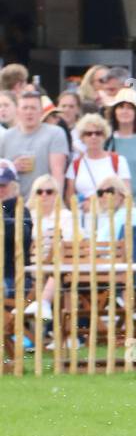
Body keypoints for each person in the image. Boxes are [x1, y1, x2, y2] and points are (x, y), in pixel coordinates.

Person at [0, 88, 67, 200]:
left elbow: (58, 173)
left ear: (41, 112)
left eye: (33, 108)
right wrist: (12, 167)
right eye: (25, 108)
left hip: (43, 201)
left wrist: (57, 203)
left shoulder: (55, 133)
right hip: (12, 205)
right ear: (18, 111)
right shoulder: (6, 137)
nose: (29, 112)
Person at [22, 174, 71, 318]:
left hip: (59, 265)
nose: (44, 195)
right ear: (34, 194)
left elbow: (72, 242)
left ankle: (43, 303)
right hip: (33, 266)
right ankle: (43, 304)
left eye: (49, 191)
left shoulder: (66, 215)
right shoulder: (28, 216)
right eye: (39, 191)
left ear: (56, 195)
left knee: (60, 259)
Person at [66, 114, 131, 204]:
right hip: (84, 215)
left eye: (98, 133)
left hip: (112, 214)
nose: (94, 136)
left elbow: (126, 193)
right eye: (88, 134)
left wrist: (97, 204)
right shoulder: (75, 165)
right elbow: (70, 198)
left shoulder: (119, 161)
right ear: (82, 138)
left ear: (104, 136)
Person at [0, 161, 32, 296]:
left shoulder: (21, 210)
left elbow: (22, 237)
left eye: (3, 185)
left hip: (13, 276)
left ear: (13, 186)